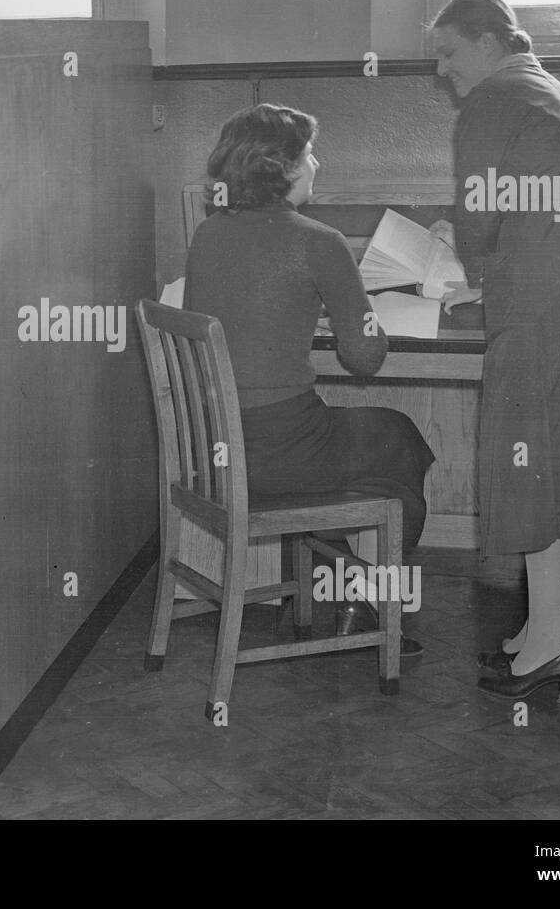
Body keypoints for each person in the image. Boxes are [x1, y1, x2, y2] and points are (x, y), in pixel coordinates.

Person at [431, 0, 560, 699]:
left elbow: (479, 208)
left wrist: (477, 269)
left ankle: (548, 644)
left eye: (451, 53)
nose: (444, 70)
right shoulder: (549, 89)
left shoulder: (493, 99)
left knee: (537, 469)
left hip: (542, 309)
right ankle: (544, 628)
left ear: (489, 43)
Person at [185, 104, 435, 655]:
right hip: (283, 451)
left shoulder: (208, 233)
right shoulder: (319, 240)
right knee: (401, 439)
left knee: (385, 438)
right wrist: (355, 310)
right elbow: (366, 357)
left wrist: (306, 308)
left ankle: (351, 578)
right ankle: (366, 593)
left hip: (218, 449)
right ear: (287, 168)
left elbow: (247, 312)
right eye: (309, 154)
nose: (317, 163)